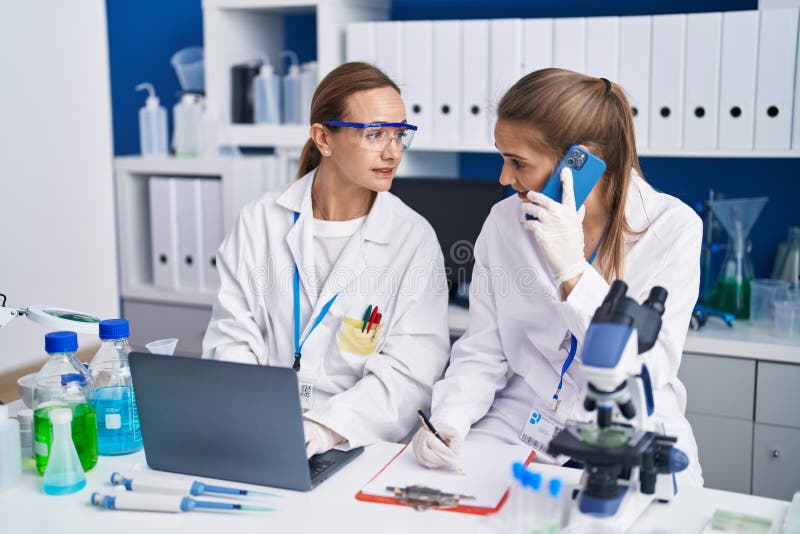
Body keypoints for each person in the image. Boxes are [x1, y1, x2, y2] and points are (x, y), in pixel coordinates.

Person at [411, 68, 704, 486]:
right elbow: (482, 350)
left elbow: (644, 367)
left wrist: (573, 272)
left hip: (627, 421)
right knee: (449, 491)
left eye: (518, 162)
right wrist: (449, 420)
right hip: (524, 416)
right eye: (502, 157)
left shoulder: (672, 228)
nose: (503, 178)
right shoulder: (504, 222)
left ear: (578, 163)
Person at [202, 62, 450, 458]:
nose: (393, 152)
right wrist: (259, 416)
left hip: (356, 441)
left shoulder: (412, 238)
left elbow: (410, 374)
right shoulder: (259, 221)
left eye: (400, 134)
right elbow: (231, 336)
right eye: (375, 134)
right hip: (261, 432)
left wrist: (323, 429)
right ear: (323, 138)